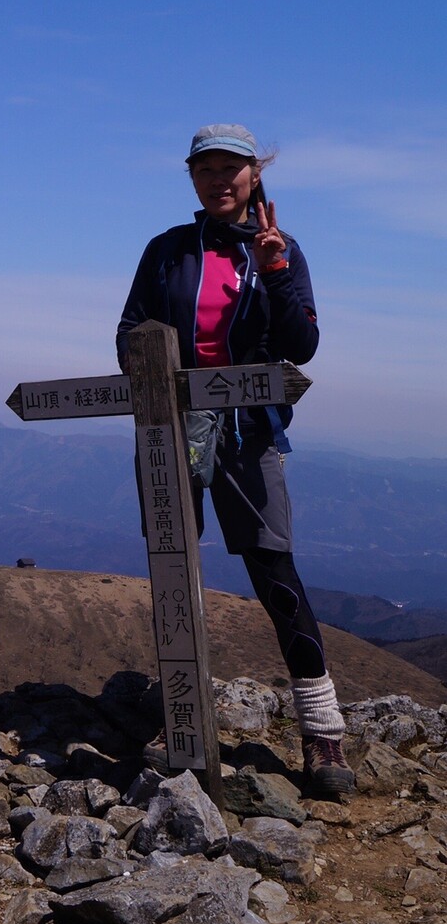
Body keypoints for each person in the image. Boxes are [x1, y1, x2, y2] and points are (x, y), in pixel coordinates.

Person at [117, 123, 354, 799]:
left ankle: (321, 728)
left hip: (250, 433)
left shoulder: (279, 250)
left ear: (255, 175)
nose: (218, 180)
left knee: (272, 567)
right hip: (169, 431)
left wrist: (275, 270)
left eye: (231, 168)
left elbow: (299, 346)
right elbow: (128, 331)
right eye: (205, 170)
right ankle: (181, 717)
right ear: (191, 179)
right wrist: (160, 377)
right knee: (172, 563)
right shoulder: (167, 250)